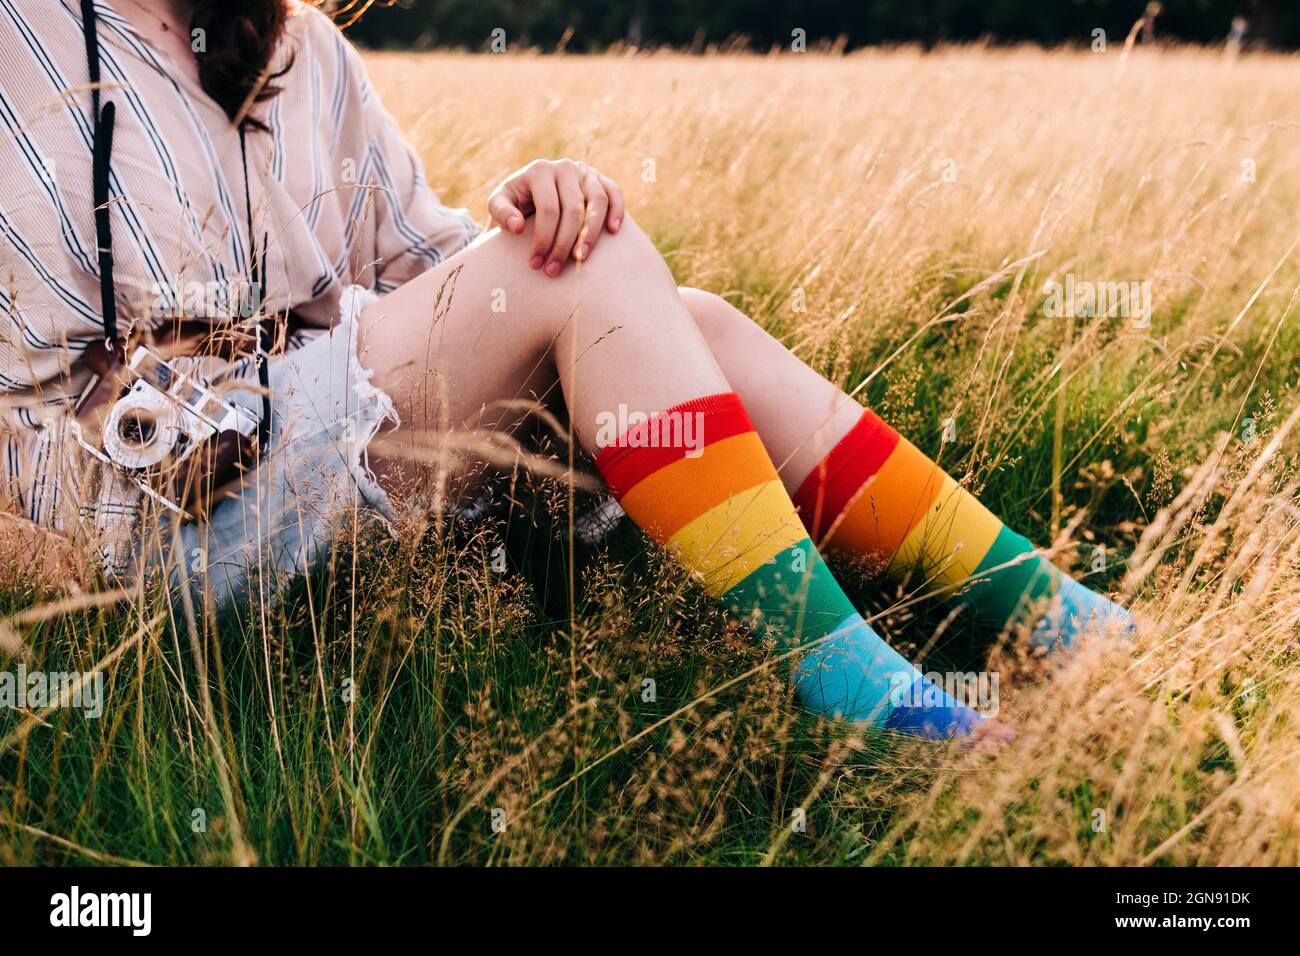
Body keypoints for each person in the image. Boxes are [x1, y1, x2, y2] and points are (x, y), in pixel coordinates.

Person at [0, 0, 1132, 740]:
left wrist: (532, 200)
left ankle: (1051, 615)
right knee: (579, 279)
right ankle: (858, 688)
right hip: (139, 524)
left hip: (318, 455)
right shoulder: (23, 35)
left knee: (685, 312)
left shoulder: (302, 50)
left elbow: (429, 266)